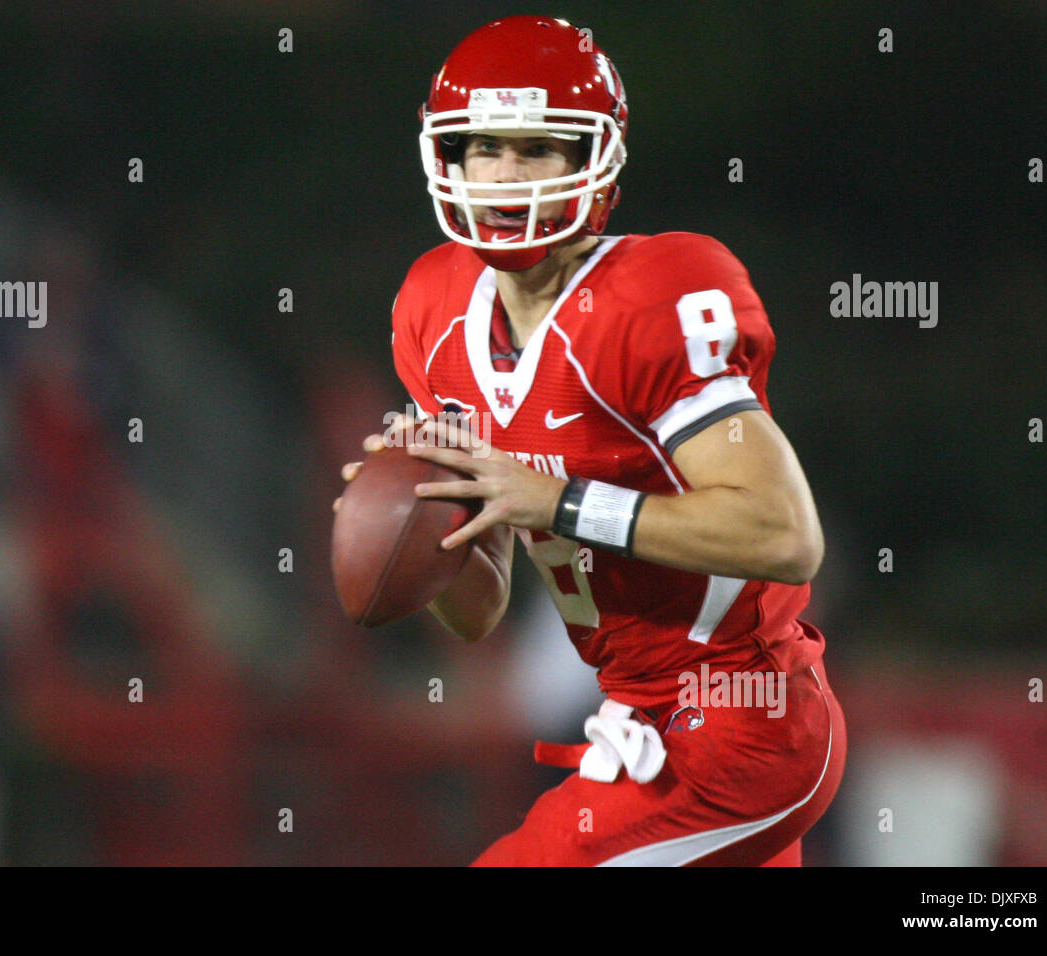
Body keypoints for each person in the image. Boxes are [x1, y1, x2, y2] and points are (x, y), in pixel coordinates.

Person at [336, 15, 845, 866]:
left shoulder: (657, 294)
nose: (505, 174)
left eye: (536, 149)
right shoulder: (431, 313)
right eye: (484, 147)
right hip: (636, 715)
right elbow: (482, 612)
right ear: (447, 158)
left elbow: (785, 537)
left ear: (590, 160)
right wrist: (418, 519)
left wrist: (561, 501)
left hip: (742, 719)